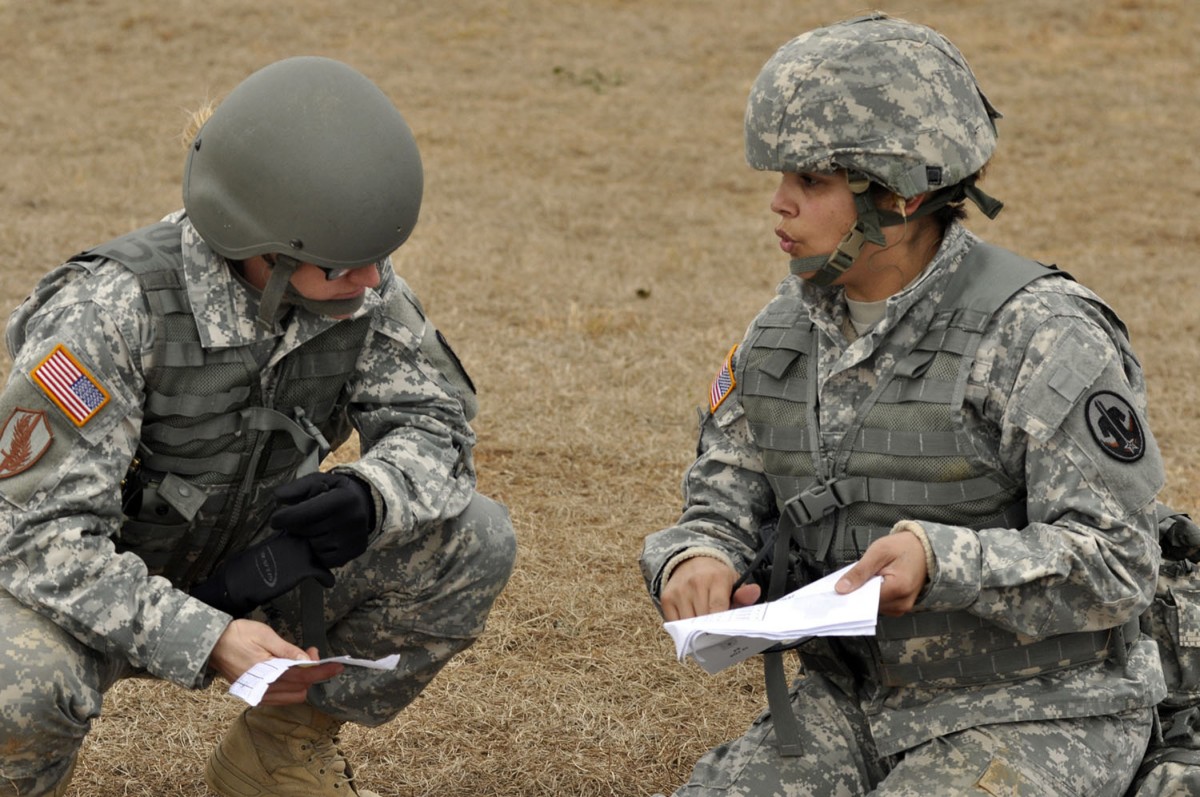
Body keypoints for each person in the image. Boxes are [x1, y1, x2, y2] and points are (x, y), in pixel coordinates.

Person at [640, 13, 1167, 797]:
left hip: (1039, 708)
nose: (779, 204)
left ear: (903, 195)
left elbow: (1120, 561)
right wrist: (696, 558)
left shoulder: (1039, 333)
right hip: (852, 698)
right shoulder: (782, 334)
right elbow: (720, 500)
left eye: (811, 181)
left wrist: (942, 560)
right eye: (782, 177)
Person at [0, 56, 516, 797]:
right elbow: (39, 541)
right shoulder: (107, 312)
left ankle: (273, 758)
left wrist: (373, 492)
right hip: (90, 583)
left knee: (473, 539)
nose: (371, 281)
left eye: (376, 260)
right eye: (344, 268)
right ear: (261, 247)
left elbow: (437, 424)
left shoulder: (350, 278)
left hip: (249, 561)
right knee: (15, 682)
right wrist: (205, 638)